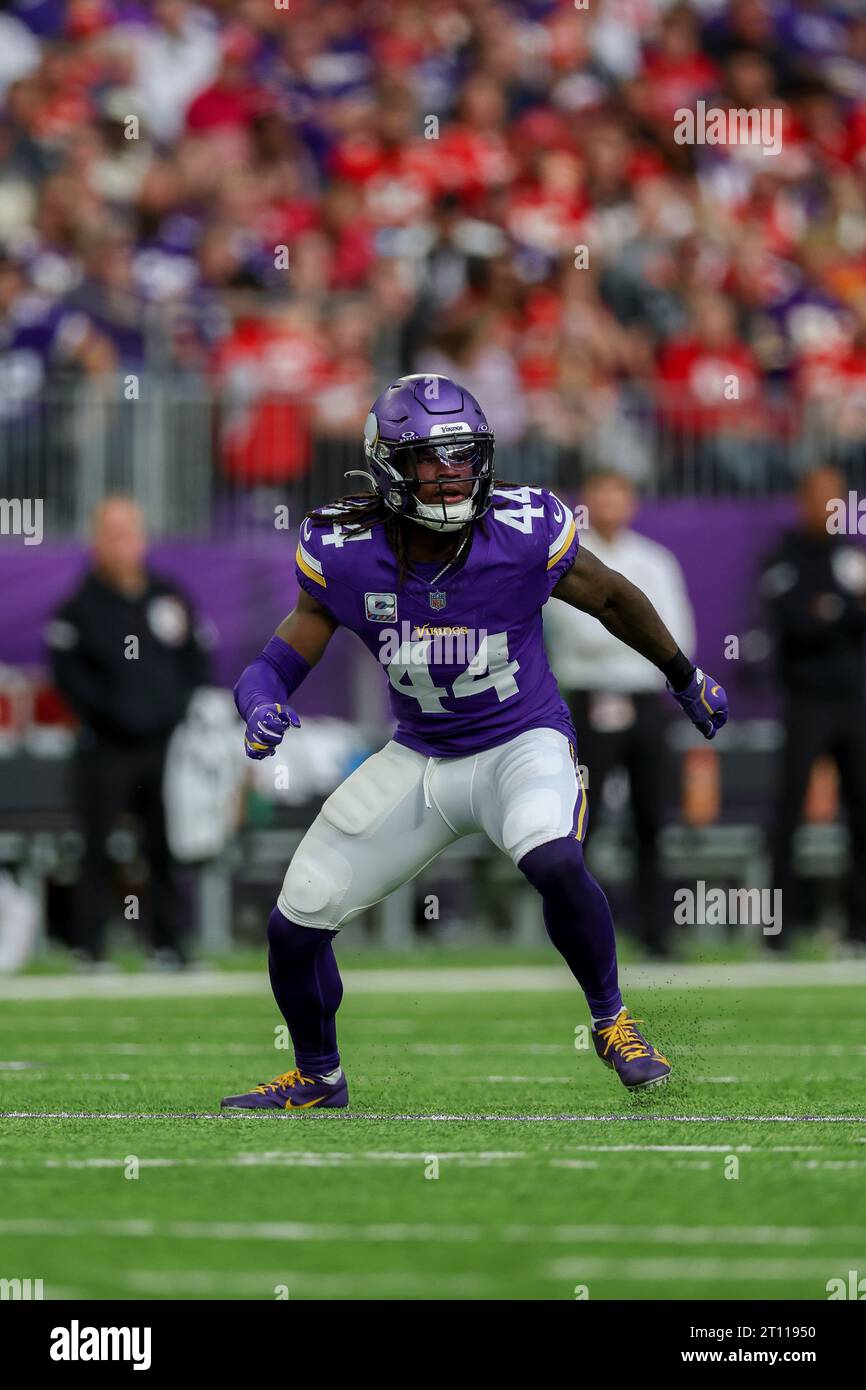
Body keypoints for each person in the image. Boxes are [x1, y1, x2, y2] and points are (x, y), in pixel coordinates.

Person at [222, 375, 727, 1111]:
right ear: (389, 463)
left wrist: (684, 676)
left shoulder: (522, 529)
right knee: (296, 919)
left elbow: (613, 595)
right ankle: (318, 1075)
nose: (453, 472)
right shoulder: (345, 548)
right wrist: (260, 700)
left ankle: (613, 1021)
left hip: (520, 741)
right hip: (420, 756)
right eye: (432, 458)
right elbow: (280, 657)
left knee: (552, 853)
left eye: (465, 455)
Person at [46, 496, 213, 966]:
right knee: (97, 846)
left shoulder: (168, 597)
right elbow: (68, 676)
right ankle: (91, 948)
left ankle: (170, 946)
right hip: (105, 747)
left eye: (128, 532)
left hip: (165, 746)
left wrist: (172, 712)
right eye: (111, 533)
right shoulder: (79, 608)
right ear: (96, 541)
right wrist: (116, 716)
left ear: (142, 538)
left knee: (165, 845)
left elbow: (195, 660)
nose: (121, 544)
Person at [543, 470, 696, 958]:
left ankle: (655, 931)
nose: (609, 505)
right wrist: (639, 642)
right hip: (589, 699)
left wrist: (639, 650)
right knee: (581, 821)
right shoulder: (567, 558)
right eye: (599, 497)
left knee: (652, 816)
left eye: (617, 496)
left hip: (644, 699)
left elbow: (677, 636)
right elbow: (578, 634)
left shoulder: (654, 560)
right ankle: (576, 934)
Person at [762, 465, 866, 952]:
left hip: (855, 702)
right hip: (806, 701)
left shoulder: (850, 557)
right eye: (819, 496)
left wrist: (832, 610)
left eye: (835, 498)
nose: (828, 507)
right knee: (789, 813)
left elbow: (833, 617)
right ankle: (778, 929)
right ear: (802, 501)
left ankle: (858, 925)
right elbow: (794, 623)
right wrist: (845, 611)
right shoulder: (784, 556)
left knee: (862, 811)